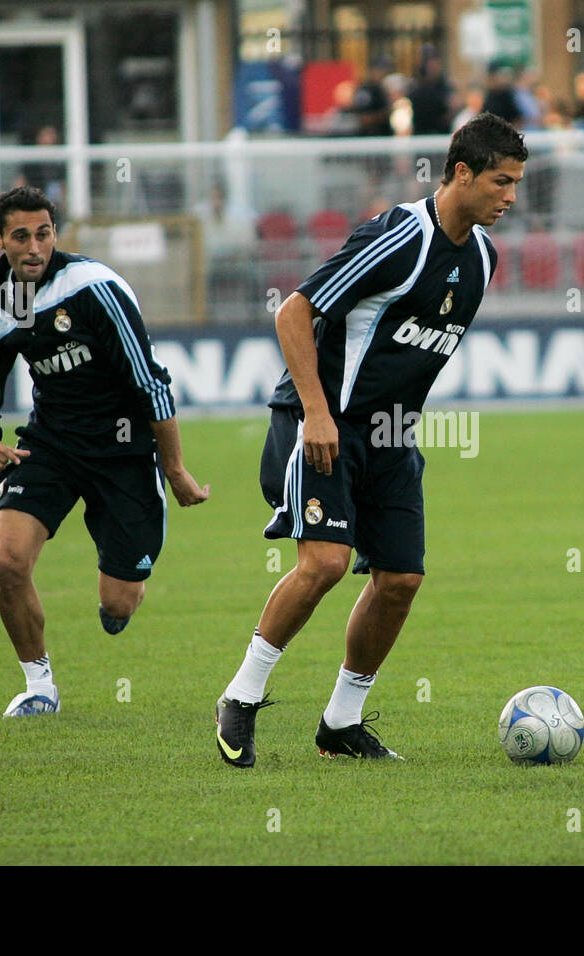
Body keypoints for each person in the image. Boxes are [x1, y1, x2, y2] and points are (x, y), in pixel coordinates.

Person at [213, 113, 528, 767]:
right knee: (325, 563)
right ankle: (240, 699)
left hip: (391, 439)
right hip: (321, 425)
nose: (511, 197)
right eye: (501, 181)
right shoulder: (398, 238)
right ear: (462, 173)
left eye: (518, 183)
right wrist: (317, 413)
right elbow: (294, 311)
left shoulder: (483, 258)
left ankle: (340, 724)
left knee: (401, 580)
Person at [0, 186, 210, 717]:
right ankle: (38, 686)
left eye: (44, 234)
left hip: (122, 451)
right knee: (7, 562)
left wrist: (176, 470)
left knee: (117, 604)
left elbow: (151, 384)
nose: (34, 247)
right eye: (21, 236)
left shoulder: (93, 287)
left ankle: (122, 587)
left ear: (56, 234)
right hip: (48, 445)